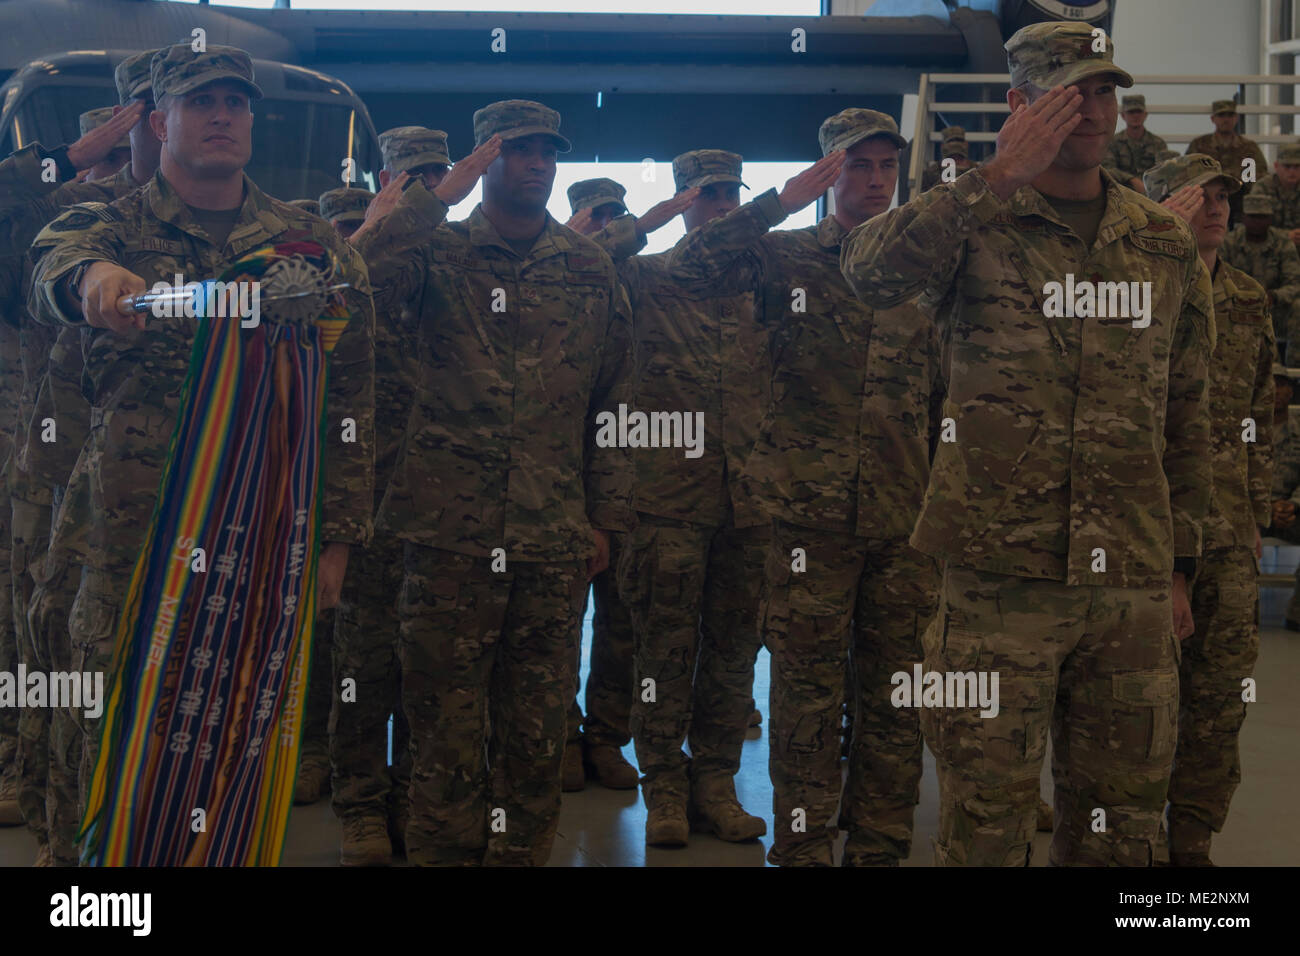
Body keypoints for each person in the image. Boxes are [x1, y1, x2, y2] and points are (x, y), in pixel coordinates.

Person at [841, 20, 1215, 866]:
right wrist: (992, 176)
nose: (1091, 110)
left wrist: (1180, 565)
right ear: (1018, 106)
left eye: (1105, 92)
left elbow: (1188, 412)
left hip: (1130, 579)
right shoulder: (973, 220)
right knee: (987, 818)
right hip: (994, 580)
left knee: (1123, 825)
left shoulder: (1160, 242)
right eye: (1066, 92)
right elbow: (867, 274)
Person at [27, 43, 377, 844]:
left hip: (259, 543)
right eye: (200, 102)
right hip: (128, 538)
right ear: (159, 121)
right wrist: (95, 284)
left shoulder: (312, 247)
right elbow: (56, 263)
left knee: (232, 737)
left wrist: (337, 541)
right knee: (102, 729)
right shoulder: (109, 223)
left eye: (236, 103)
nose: (223, 116)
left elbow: (352, 402)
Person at [354, 99, 634, 866]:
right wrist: (430, 200)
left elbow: (611, 402)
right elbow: (357, 283)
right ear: (483, 160)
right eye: (517, 150)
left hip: (550, 537)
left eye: (548, 150)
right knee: (443, 723)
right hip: (448, 534)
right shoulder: (434, 253)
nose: (537, 163)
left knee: (537, 729)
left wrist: (602, 516)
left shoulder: (588, 268)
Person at [667, 108, 944, 866]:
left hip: (903, 518)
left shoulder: (923, 266)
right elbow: (690, 268)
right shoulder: (785, 256)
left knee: (895, 693)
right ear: (828, 173)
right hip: (804, 519)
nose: (876, 181)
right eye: (858, 166)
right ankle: (803, 842)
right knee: (806, 693)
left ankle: (882, 841)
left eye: (887, 166)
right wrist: (776, 203)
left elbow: (952, 391)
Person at [1, 47, 160, 866]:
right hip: (45, 460)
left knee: (104, 658)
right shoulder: (57, 213)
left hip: (124, 476)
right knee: (40, 639)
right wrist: (57, 164)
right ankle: (33, 783)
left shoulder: (183, 222)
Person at [613, 148, 772, 848]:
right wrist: (650, 222)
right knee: (663, 655)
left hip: (749, 502)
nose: (722, 206)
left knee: (734, 655)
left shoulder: (762, 282)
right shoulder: (645, 277)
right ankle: (665, 793)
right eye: (707, 194)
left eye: (731, 194)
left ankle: (716, 785)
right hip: (666, 499)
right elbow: (584, 260)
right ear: (683, 199)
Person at [1145, 153, 1272, 867]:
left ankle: (1190, 841)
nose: (1217, 207)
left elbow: (1259, 409)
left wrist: (1254, 511)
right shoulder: (1137, 290)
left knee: (1221, 700)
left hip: (1225, 531)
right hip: (1148, 528)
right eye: (1200, 196)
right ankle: (1131, 840)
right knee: (1139, 703)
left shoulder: (1251, 296)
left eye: (1225, 195)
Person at [559, 175, 696, 793]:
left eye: (618, 214)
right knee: (556, 622)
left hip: (633, 477)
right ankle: (559, 737)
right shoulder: (556, 271)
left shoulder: (642, 275)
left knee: (622, 625)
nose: (609, 224)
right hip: (560, 476)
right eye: (596, 215)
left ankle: (605, 738)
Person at [1220, 192, 1300, 362]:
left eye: (1262, 217)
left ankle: (1294, 370)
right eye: (1253, 217)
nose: (1257, 222)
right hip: (1236, 306)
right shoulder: (1229, 242)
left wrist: (1274, 296)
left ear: (1271, 219)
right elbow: (1218, 279)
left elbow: (1294, 283)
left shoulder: (1283, 243)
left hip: (1275, 307)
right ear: (1243, 217)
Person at [1187, 100, 1267, 225]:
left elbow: (1257, 179)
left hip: (1240, 210)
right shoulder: (1199, 145)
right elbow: (1188, 176)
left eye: (1230, 115)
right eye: (1221, 115)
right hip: (1206, 206)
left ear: (1236, 118)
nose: (1226, 119)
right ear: (1213, 119)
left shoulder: (1249, 148)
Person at [1103, 93, 1167, 193]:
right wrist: (1131, 180)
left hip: (1151, 196)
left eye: (1139, 111)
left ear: (1145, 115)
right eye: (1131, 112)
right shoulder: (1113, 143)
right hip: (1121, 195)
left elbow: (1164, 171)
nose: (1135, 116)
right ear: (1123, 115)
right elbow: (1107, 170)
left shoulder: (1158, 143)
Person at [1254, 143, 1300, 250]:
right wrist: (1285, 236)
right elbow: (1253, 224)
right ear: (1276, 166)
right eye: (1287, 166)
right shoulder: (1262, 188)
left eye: (1297, 167)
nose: (1292, 171)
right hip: (1270, 248)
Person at [920, 126, 975, 192]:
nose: (955, 143)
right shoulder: (931, 173)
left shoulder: (975, 170)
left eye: (959, 159)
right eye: (953, 158)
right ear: (942, 146)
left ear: (966, 144)